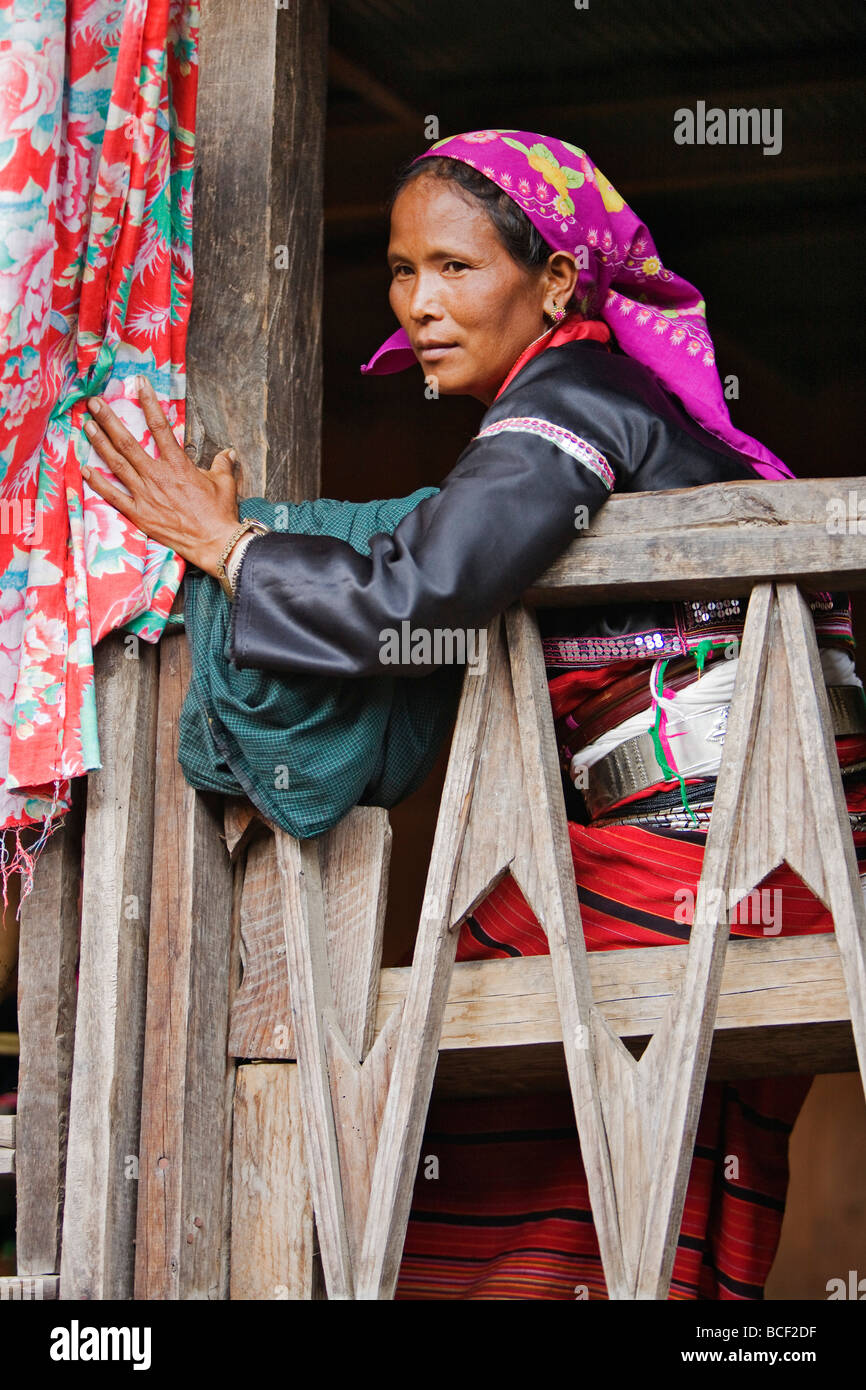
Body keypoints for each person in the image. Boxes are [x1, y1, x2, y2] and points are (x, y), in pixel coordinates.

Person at [81, 130, 866, 1300]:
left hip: (720, 850)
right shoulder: (576, 400)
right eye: (402, 272)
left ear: (553, 282)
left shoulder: (570, 399)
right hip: (745, 842)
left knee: (455, 1082)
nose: (419, 304)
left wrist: (226, 545)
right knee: (534, 1072)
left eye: (456, 268)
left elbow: (417, 594)